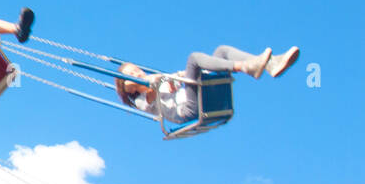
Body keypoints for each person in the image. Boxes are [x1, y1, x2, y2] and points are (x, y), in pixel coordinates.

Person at [115, 45, 299, 124]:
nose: (136, 73)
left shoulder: (159, 80)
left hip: (200, 96)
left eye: (136, 69)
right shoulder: (140, 99)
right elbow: (151, 93)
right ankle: (246, 67)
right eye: (130, 75)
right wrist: (159, 80)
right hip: (189, 109)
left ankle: (271, 64)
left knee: (222, 51)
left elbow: (176, 77)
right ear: (125, 88)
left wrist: (171, 79)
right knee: (194, 58)